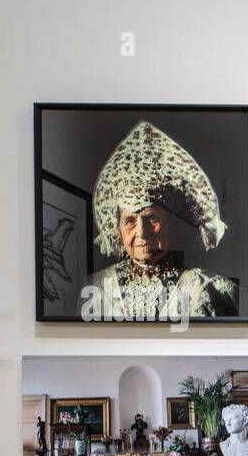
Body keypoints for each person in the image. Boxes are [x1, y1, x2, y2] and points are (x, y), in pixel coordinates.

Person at [83, 120, 239, 321]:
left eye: (152, 218)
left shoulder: (204, 287)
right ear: (118, 229)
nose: (141, 232)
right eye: (130, 220)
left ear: (172, 223)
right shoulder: (96, 287)